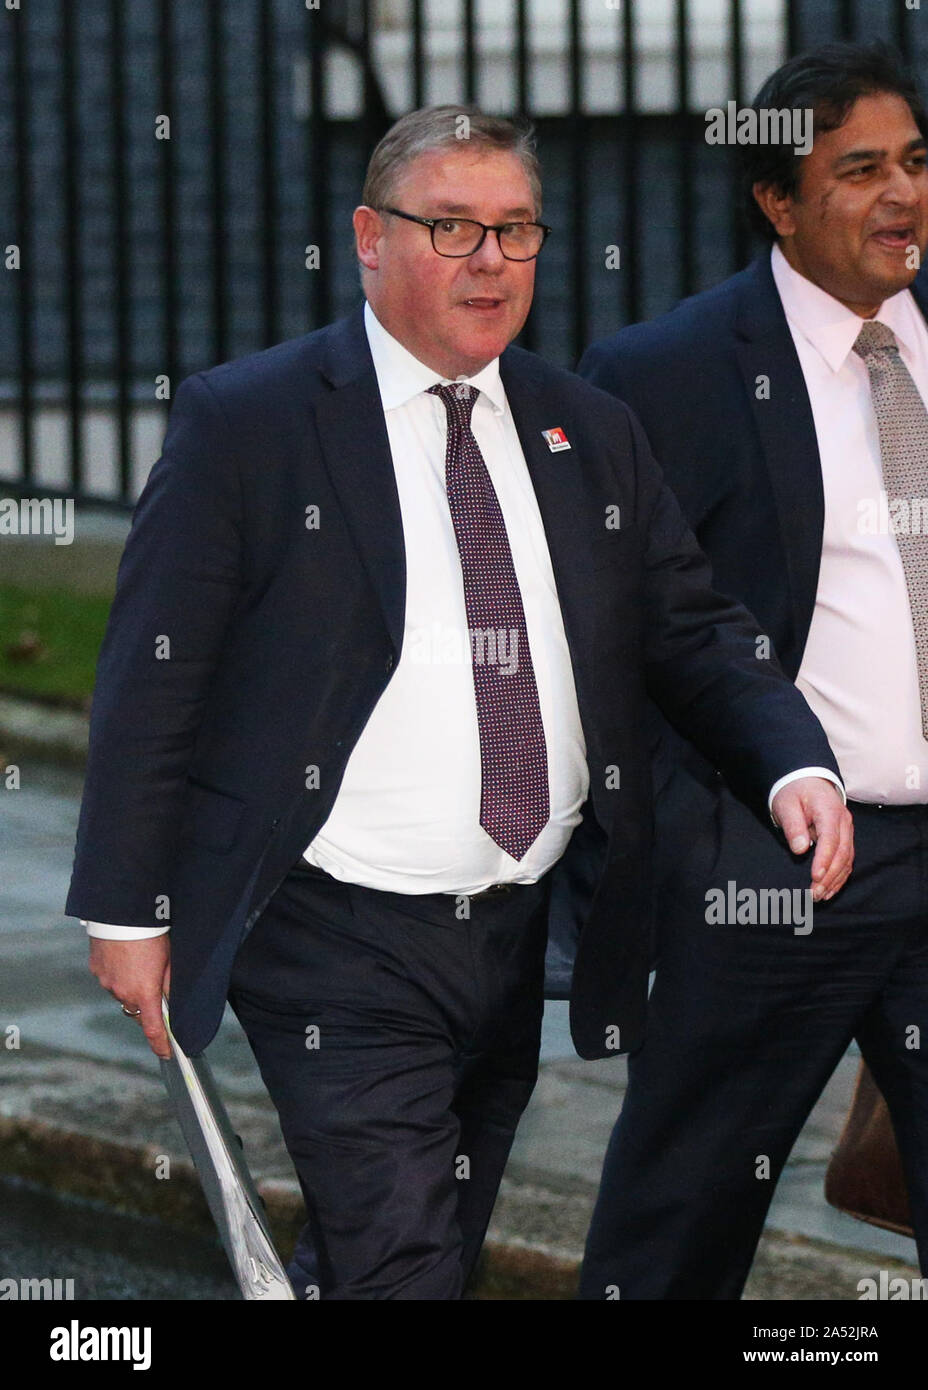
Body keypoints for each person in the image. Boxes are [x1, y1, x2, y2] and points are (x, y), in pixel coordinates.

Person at [66, 105, 850, 1300]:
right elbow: (155, 671)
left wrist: (793, 760)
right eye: (453, 227)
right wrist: (125, 906)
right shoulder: (254, 421)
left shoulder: (585, 427)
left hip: (513, 933)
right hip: (329, 932)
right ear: (369, 237)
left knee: (403, 1245)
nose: (491, 260)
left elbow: (688, 625)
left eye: (517, 229)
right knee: (405, 1260)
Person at [578, 41, 928, 1299]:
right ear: (776, 203)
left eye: (914, 162)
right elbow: (636, 637)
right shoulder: (669, 374)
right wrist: (688, 851)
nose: (901, 196)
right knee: (676, 1233)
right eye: (857, 172)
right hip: (773, 872)